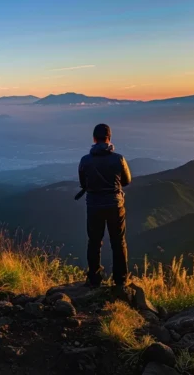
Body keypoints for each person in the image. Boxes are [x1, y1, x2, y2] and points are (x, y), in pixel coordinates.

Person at [78, 123, 132, 288]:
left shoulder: (85, 160)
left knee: (94, 242)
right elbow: (127, 181)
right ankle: (121, 281)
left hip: (94, 205)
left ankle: (94, 279)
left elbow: (83, 183)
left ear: (94, 139)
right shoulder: (119, 159)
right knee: (118, 241)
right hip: (115, 205)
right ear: (109, 138)